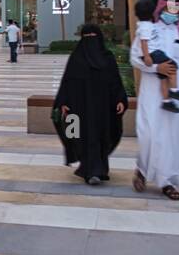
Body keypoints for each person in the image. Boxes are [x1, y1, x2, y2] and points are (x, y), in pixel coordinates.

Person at [130, 0, 179, 200]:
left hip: (175, 95)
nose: (173, 11)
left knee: (171, 139)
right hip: (152, 93)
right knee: (148, 135)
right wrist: (155, 68)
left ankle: (167, 182)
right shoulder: (149, 30)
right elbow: (135, 57)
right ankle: (142, 169)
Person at [53, 24, 127, 185]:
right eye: (87, 37)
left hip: (104, 108)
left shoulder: (107, 58)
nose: (90, 41)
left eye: (92, 36)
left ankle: (97, 169)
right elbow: (67, 82)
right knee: (81, 135)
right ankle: (91, 171)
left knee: (101, 137)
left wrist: (120, 99)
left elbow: (115, 81)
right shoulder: (76, 58)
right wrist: (63, 102)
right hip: (80, 109)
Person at [136, 0, 179, 113]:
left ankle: (166, 101)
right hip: (153, 54)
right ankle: (174, 90)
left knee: (164, 78)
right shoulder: (147, 26)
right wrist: (147, 57)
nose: (173, 12)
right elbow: (143, 42)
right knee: (172, 66)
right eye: (169, 9)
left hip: (154, 54)